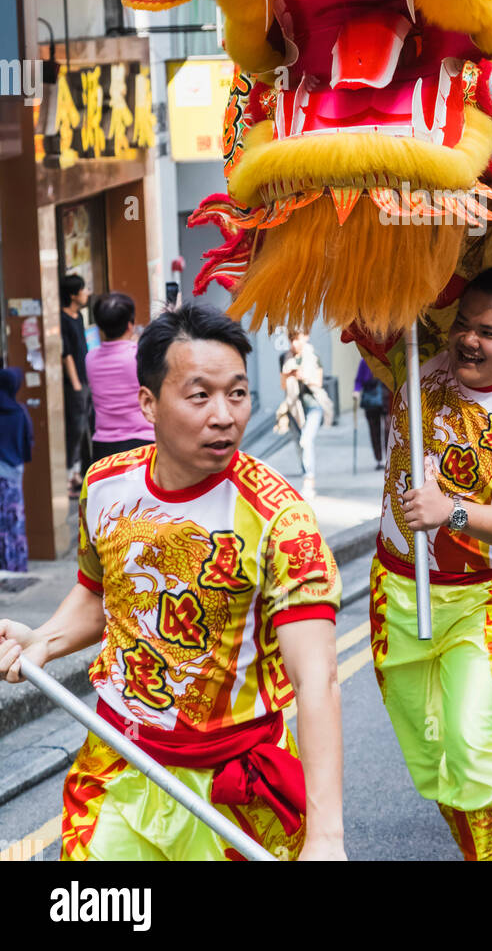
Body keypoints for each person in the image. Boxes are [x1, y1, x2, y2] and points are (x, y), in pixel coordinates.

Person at [0, 303, 345, 861]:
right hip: (118, 764)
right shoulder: (106, 485)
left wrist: (327, 840)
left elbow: (318, 681)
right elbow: (98, 596)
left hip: (233, 788)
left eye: (236, 393)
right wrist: (45, 639)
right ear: (148, 404)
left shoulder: (281, 520)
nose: (224, 415)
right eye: (199, 394)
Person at [366, 266, 492, 861]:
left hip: (488, 601)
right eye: (462, 325)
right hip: (395, 591)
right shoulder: (413, 359)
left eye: (489, 332)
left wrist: (451, 512)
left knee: (472, 742)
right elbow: (362, 307)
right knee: (431, 757)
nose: (468, 341)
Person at [86, 291, 155, 461]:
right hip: (142, 442)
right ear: (130, 325)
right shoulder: (139, 355)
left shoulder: (90, 358)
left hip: (103, 446)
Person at [279, 332, 331, 500]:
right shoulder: (284, 358)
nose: (294, 343)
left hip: (313, 404)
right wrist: (290, 375)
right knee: (299, 444)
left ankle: (309, 481)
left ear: (306, 336)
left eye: (297, 338)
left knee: (306, 441)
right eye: (291, 339)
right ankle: (306, 477)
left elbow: (319, 382)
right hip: (294, 406)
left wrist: (305, 377)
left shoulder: (313, 356)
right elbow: (282, 385)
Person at [0, 365, 34, 572]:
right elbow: (27, 444)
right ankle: (15, 562)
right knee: (14, 517)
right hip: (13, 473)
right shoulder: (20, 412)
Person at [61, 273, 91, 498]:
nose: (87, 292)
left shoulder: (79, 316)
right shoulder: (62, 320)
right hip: (75, 383)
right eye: (83, 289)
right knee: (76, 427)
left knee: (85, 427)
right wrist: (76, 384)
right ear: (73, 294)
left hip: (85, 378)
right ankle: (70, 475)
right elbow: (67, 354)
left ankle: (79, 471)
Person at [354, 358, 390, 470]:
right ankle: (379, 460)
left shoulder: (387, 357)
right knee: (374, 431)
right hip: (370, 401)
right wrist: (356, 391)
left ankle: (388, 458)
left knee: (388, 430)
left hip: (386, 399)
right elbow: (359, 379)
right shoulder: (364, 361)